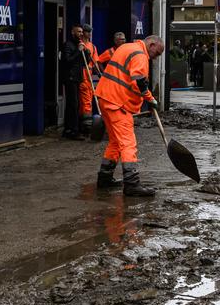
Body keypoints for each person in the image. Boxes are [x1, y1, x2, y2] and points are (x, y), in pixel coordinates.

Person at [94, 35, 166, 197]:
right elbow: (139, 82)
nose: (157, 56)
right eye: (158, 52)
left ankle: (104, 178)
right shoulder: (140, 54)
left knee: (115, 142)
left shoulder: (126, 47)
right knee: (128, 143)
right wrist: (150, 98)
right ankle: (132, 184)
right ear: (152, 44)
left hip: (106, 98)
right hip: (118, 103)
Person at [61, 25, 85, 140]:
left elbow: (84, 62)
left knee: (74, 104)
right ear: (72, 32)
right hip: (70, 78)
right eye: (78, 32)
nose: (81, 34)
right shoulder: (68, 45)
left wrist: (86, 52)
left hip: (77, 78)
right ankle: (73, 131)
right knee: (73, 104)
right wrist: (78, 51)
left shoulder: (78, 45)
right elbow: (67, 60)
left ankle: (69, 128)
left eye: (81, 32)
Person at [78, 24, 98, 130]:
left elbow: (95, 62)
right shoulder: (80, 44)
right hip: (82, 75)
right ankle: (87, 125)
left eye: (90, 31)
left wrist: (99, 73)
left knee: (89, 98)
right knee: (86, 100)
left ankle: (84, 121)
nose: (89, 34)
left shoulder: (93, 47)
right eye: (87, 31)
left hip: (89, 75)